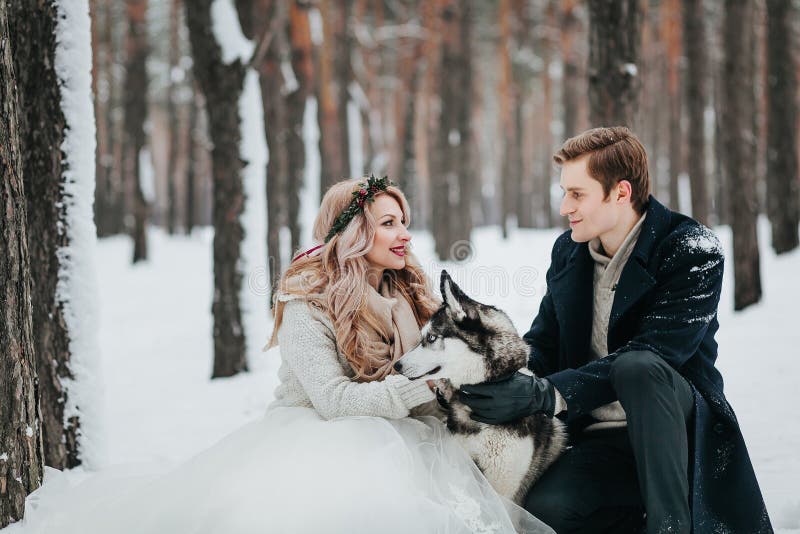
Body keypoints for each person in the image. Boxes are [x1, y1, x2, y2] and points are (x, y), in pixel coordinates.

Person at [19, 176, 553, 534]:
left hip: (412, 430)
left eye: (403, 220)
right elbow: (334, 400)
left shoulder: (411, 290)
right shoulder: (306, 300)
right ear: (353, 231)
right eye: (388, 222)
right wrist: (433, 384)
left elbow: (449, 358)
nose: (404, 233)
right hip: (324, 435)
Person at [460, 127, 773, 533]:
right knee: (548, 508)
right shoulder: (569, 250)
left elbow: (658, 354)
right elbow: (544, 342)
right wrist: (498, 376)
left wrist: (547, 393)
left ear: (620, 193)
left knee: (638, 368)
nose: (563, 207)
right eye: (564, 192)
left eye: (577, 194)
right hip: (600, 437)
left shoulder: (692, 248)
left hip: (676, 433)